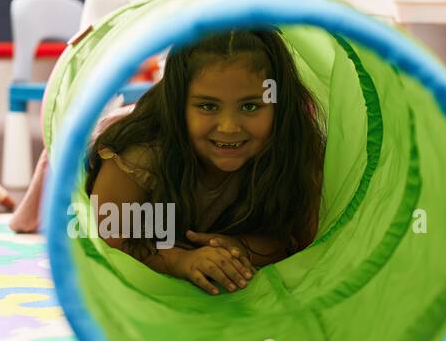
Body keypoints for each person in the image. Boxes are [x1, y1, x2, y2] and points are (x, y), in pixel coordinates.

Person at [85, 27, 325, 295]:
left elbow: (302, 238)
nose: (229, 127)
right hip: (114, 145)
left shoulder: (292, 147)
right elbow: (105, 237)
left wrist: (239, 247)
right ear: (179, 105)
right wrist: (179, 260)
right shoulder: (139, 154)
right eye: (208, 106)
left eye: (250, 106)